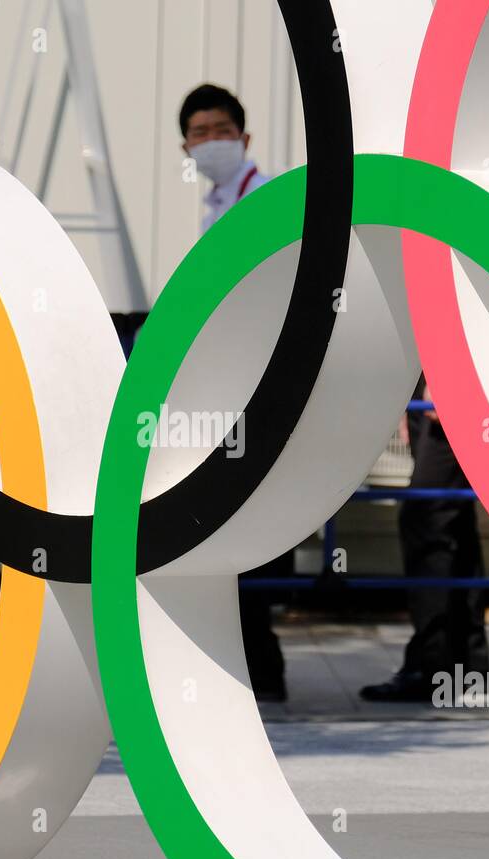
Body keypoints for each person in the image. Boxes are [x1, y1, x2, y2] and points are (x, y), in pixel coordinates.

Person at [179, 83, 287, 702]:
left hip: (259, 381)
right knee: (224, 521)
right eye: (200, 134)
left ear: (244, 138)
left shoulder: (266, 196)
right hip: (225, 384)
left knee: (253, 522)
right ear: (185, 147)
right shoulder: (216, 203)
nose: (211, 142)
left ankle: (262, 669)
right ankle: (243, 665)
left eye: (222, 130)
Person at [360, 379, 489, 702]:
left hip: (452, 373)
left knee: (426, 515)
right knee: (452, 515)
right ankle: (466, 665)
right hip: (433, 374)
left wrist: (438, 376)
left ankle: (431, 668)